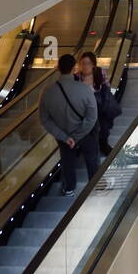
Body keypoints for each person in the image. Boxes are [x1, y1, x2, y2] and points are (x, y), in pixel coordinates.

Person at [39, 52, 99, 196]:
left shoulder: (47, 92)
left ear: (58, 68)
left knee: (67, 161)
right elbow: (92, 117)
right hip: (85, 133)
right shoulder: (84, 89)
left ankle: (69, 188)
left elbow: (44, 119)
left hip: (63, 137)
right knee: (91, 159)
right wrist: (77, 135)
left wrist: (65, 137)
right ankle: (95, 186)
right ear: (74, 68)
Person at [77, 50, 121, 156]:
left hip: (100, 108)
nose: (86, 66)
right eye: (83, 63)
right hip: (85, 110)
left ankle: (103, 145)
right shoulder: (77, 77)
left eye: (88, 63)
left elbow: (107, 88)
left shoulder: (100, 72)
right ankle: (85, 147)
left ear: (93, 64)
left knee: (104, 128)